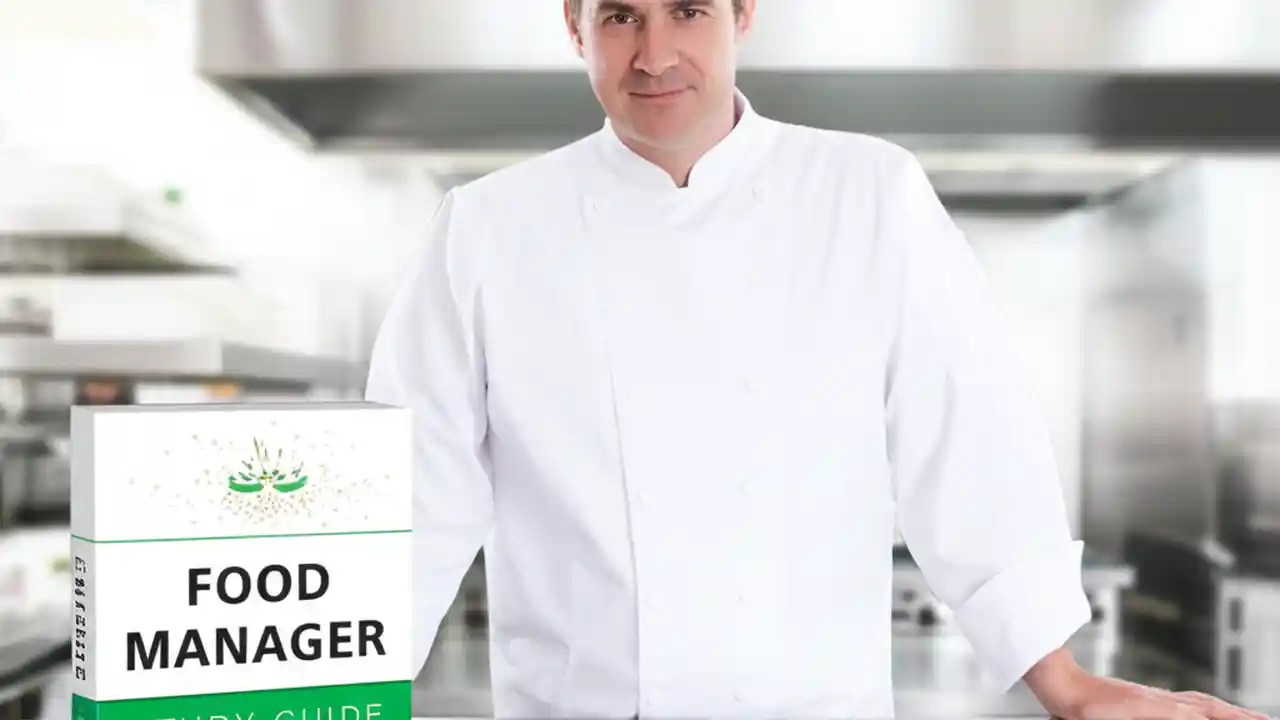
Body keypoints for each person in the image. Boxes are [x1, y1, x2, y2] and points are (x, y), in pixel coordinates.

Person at [364, 1, 1270, 718]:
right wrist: (340, 692)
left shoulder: (868, 194)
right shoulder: (488, 229)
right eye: (620, 16)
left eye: (688, 10)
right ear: (574, 24)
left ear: (742, 14)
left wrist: (1067, 685)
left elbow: (969, 444)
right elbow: (411, 495)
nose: (654, 54)